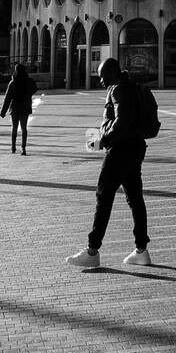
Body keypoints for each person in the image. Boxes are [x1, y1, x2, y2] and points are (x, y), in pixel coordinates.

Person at [68, 58, 151, 270]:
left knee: (104, 197)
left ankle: (92, 251)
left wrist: (103, 139)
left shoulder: (119, 90)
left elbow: (122, 121)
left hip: (120, 150)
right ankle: (141, 250)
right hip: (135, 148)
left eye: (103, 76)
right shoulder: (130, 87)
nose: (101, 81)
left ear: (113, 73)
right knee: (135, 198)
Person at [0, 63, 36, 155]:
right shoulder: (28, 81)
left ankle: (13, 147)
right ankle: (23, 148)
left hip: (15, 108)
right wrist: (28, 95)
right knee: (24, 128)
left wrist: (3, 111)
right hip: (25, 107)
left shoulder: (12, 83)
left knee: (14, 128)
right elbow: (35, 88)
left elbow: (7, 98)